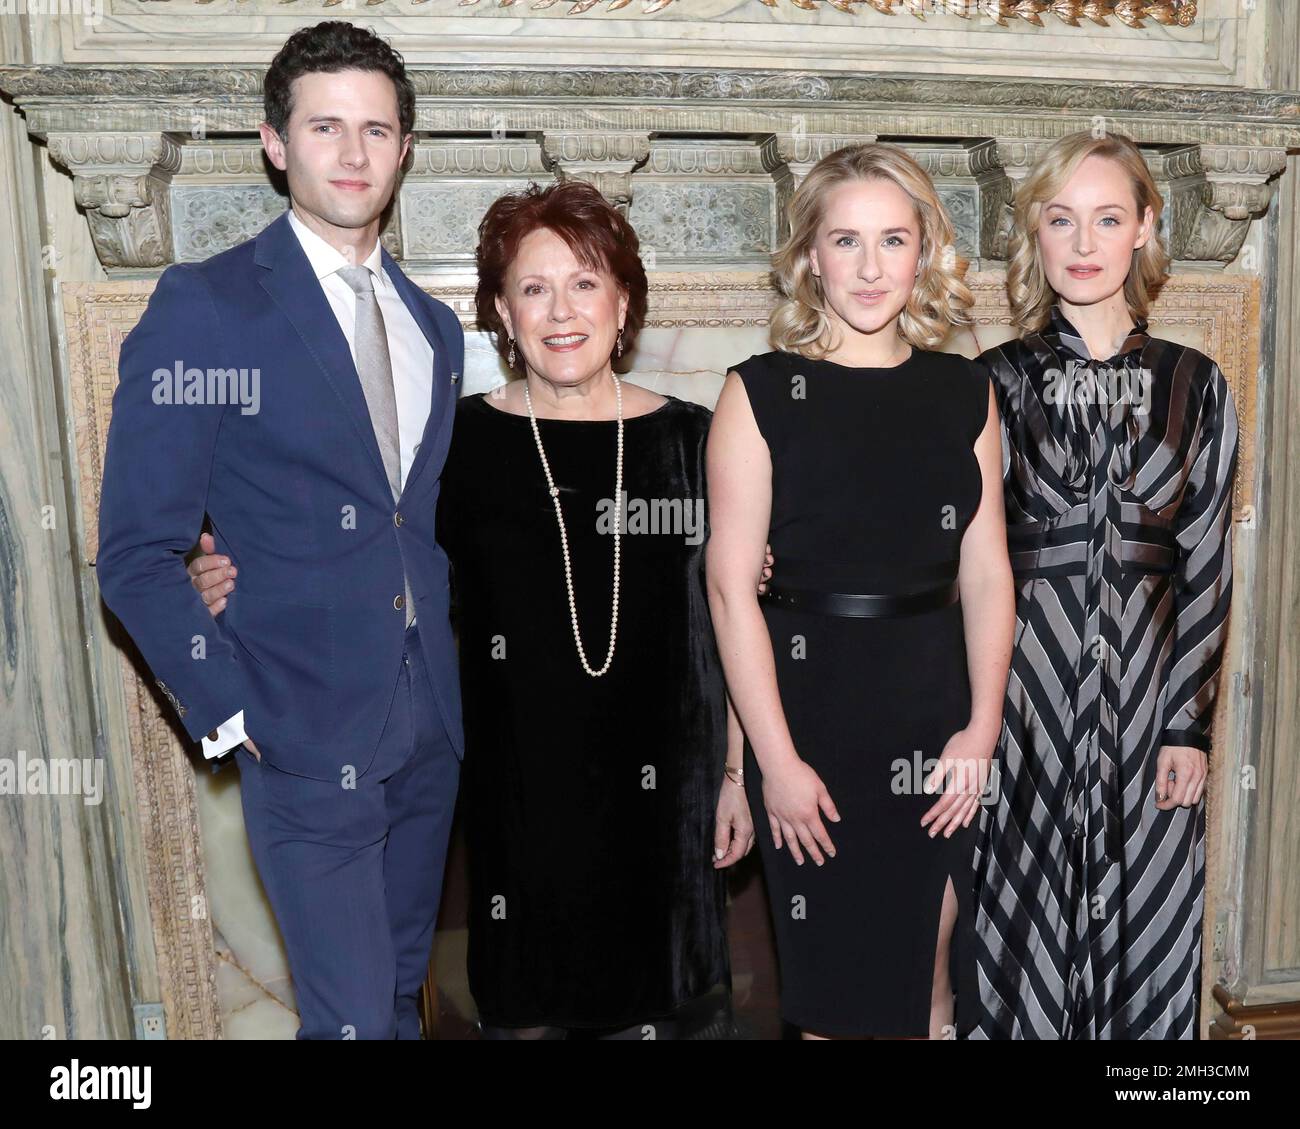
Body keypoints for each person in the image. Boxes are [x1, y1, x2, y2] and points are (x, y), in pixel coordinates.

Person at [190, 179, 771, 1040]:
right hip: (515, 802)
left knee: (676, 1012)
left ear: (623, 302)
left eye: (584, 283)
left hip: (670, 801)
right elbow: (350, 552)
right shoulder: (453, 445)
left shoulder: (699, 438)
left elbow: (736, 620)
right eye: (533, 288)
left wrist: (737, 774)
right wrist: (225, 575)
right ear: (500, 311)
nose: (561, 310)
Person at [96, 21, 464, 1039]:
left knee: (394, 1004)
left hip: (427, 728)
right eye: (325, 127)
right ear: (275, 142)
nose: (352, 154)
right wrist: (230, 710)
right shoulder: (205, 308)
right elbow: (133, 554)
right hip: (297, 729)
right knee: (351, 1022)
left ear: (403, 150)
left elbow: (414, 528)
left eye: (377, 130)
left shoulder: (430, 324)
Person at [706, 143, 1015, 1040]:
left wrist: (981, 728)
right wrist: (774, 764)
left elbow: (988, 570)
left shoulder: (966, 392)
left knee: (931, 982)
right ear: (810, 256)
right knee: (833, 1005)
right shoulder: (757, 393)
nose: (871, 267)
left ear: (925, 252)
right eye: (846, 241)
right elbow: (732, 594)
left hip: (938, 725)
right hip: (811, 727)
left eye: (893, 239)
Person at [970, 130, 1240, 1039]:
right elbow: (954, 552)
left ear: (1143, 230)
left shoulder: (1195, 384)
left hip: (1152, 709)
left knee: (1153, 936)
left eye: (1108, 218)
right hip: (1021, 709)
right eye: (1061, 220)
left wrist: (1187, 726)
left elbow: (1206, 561)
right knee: (1019, 935)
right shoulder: (991, 383)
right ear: (1036, 237)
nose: (1083, 244)